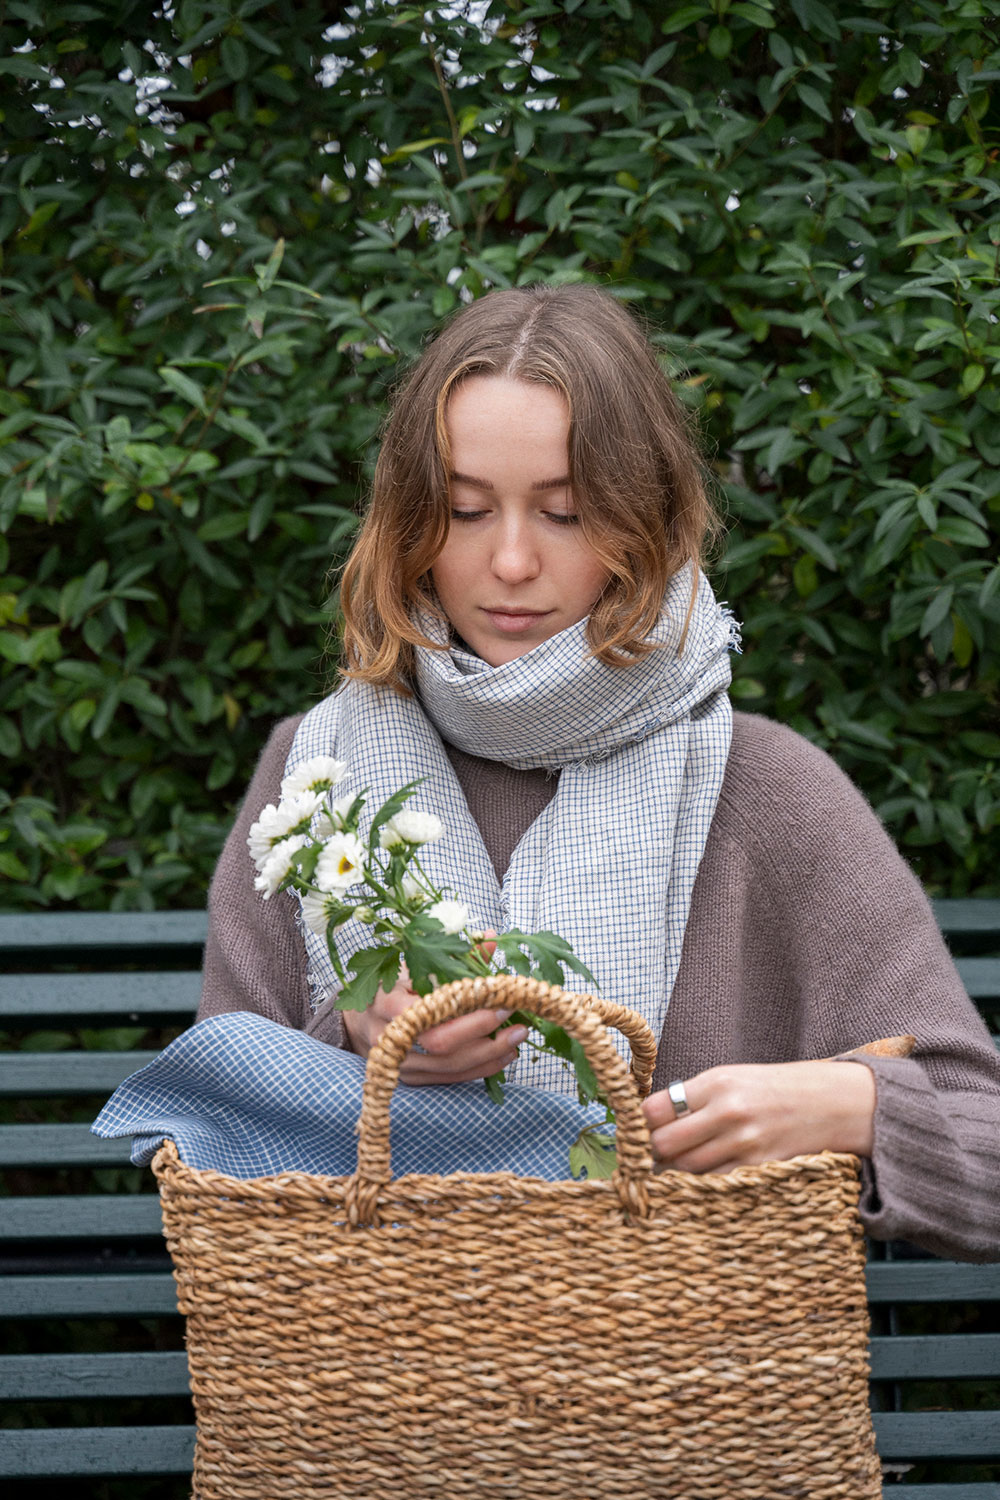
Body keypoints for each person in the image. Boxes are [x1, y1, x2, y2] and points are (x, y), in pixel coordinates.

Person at [199, 282, 1000, 1262]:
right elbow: (204, 1149)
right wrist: (364, 1047)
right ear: (409, 520)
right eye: (462, 510)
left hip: (689, 1401)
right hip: (372, 1396)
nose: (509, 561)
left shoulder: (768, 787)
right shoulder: (315, 773)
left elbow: (984, 1144)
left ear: (643, 519)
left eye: (565, 512)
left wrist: (852, 1105)